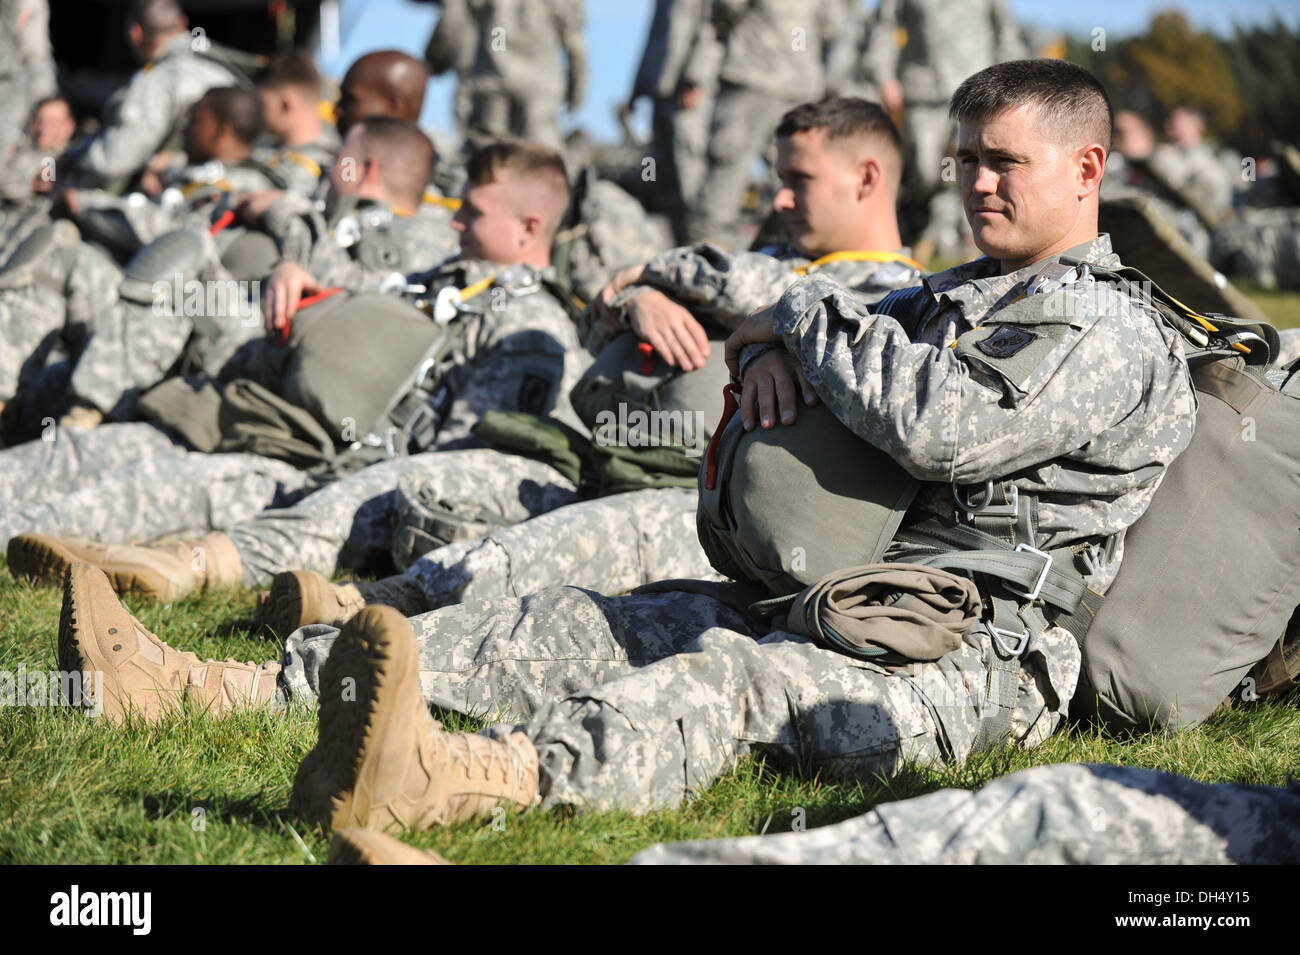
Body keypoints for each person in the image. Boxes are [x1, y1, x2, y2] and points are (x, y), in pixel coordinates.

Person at [55, 60, 1197, 842]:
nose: (979, 183)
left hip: (973, 653)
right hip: (833, 589)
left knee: (725, 687)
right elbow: (793, 316)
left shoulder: (1107, 328)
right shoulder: (951, 294)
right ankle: (216, 685)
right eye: (965, 162)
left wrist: (796, 321)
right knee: (579, 621)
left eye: (1004, 162)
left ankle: (470, 776)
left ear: (1086, 171)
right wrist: (764, 346)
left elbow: (941, 424)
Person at [12, 140, 589, 622]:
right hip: (257, 405)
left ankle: (65, 541)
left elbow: (453, 468)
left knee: (149, 484)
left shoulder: (530, 326)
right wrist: (298, 271)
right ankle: (66, 456)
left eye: (474, 212)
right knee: (89, 451)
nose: (455, 220)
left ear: (528, 227)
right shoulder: (441, 279)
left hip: (312, 465)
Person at [56, 0, 246, 190]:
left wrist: (69, 164)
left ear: (135, 33)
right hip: (233, 183)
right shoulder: (224, 68)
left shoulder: (156, 82)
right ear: (182, 23)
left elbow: (116, 159)